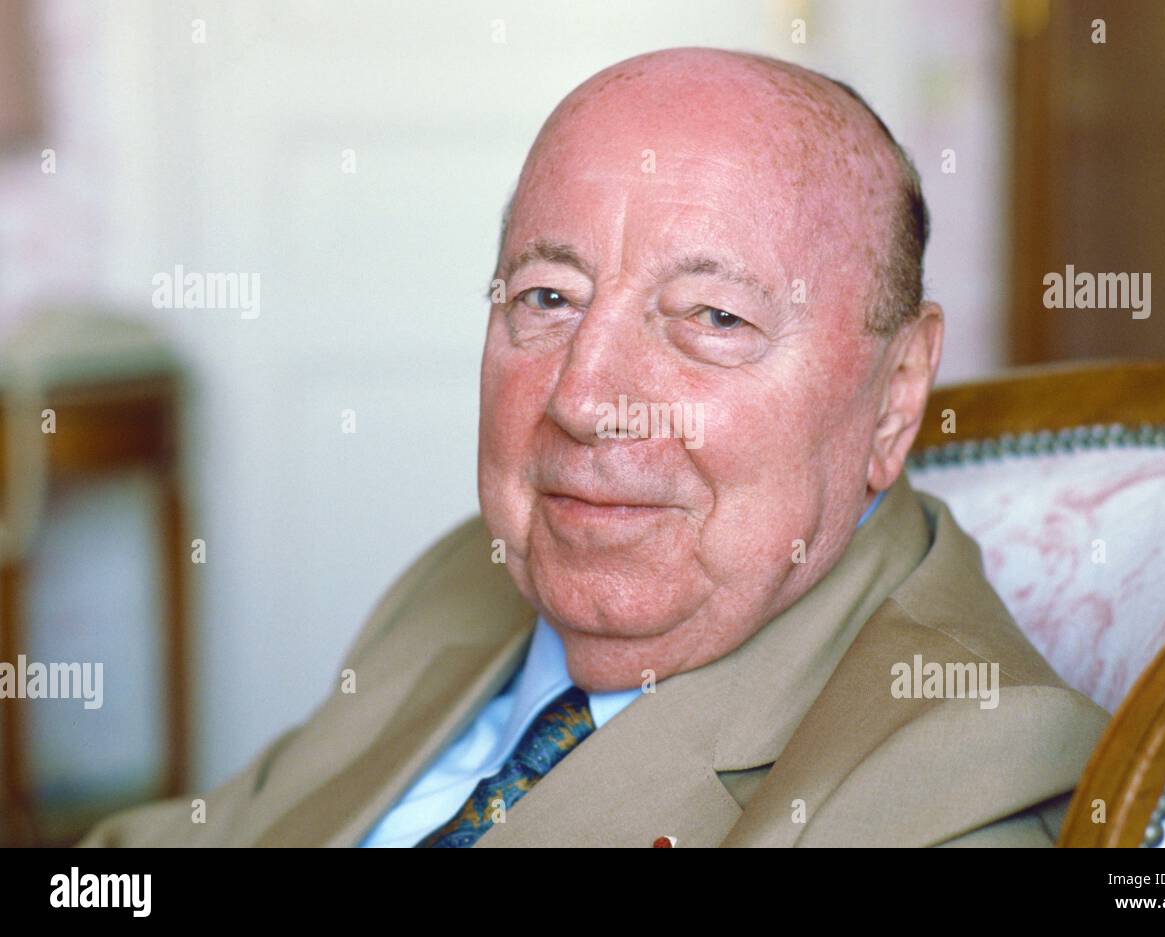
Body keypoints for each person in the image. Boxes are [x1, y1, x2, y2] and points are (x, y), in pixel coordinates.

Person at [81, 47, 1109, 848]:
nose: (582, 400)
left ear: (893, 397)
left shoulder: (956, 774)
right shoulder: (472, 575)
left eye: (711, 317)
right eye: (546, 298)